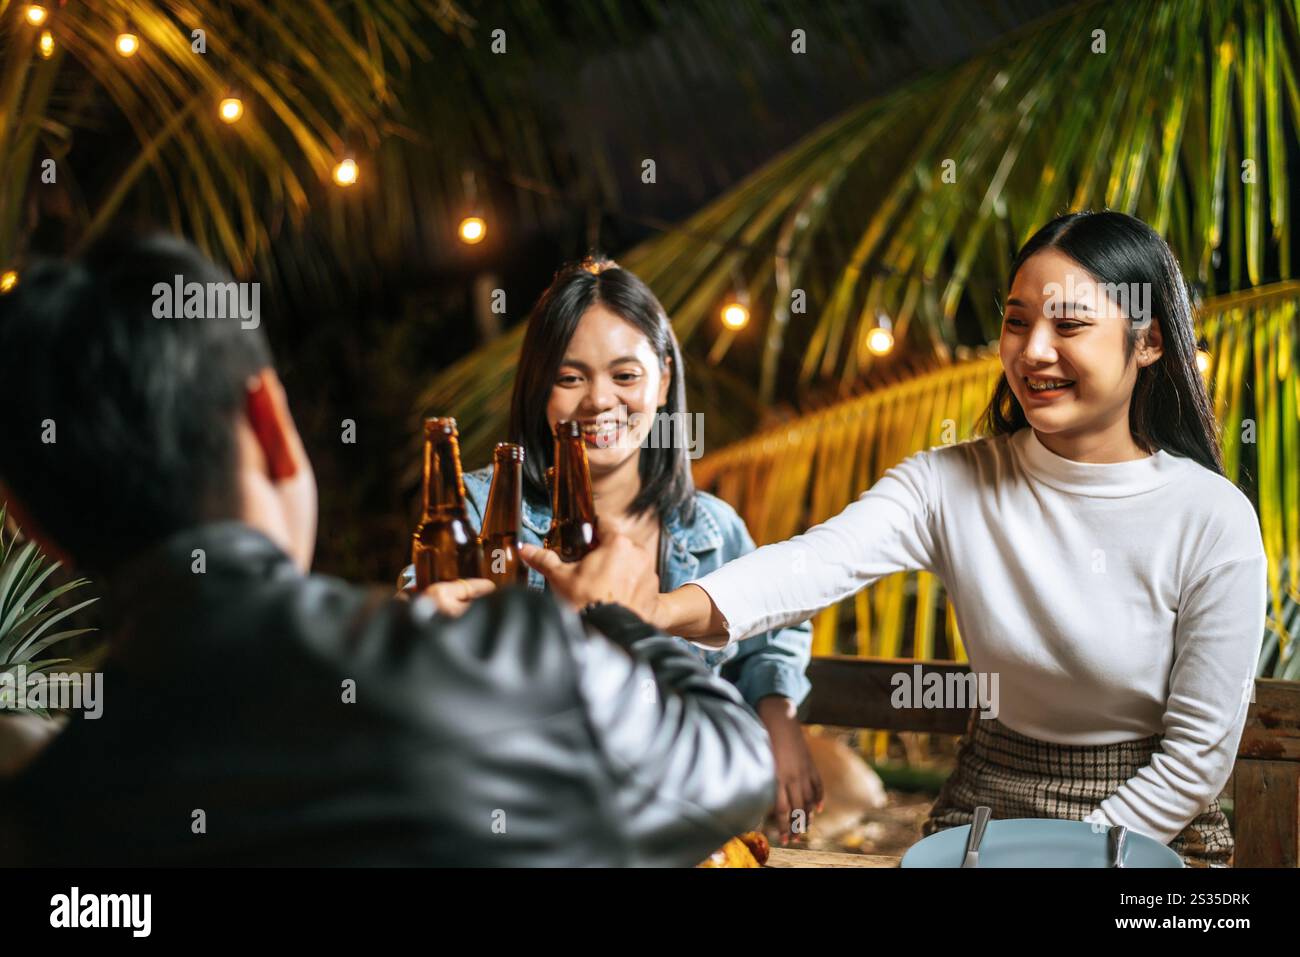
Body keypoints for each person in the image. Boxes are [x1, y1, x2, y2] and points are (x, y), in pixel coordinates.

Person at [0, 234, 774, 866]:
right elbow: (733, 765)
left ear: (31, 525)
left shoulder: (45, 813)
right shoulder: (491, 670)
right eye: (571, 375)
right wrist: (616, 616)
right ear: (269, 422)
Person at [530, 212, 1268, 867]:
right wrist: (658, 610)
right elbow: (810, 564)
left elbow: (1196, 760)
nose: (1033, 351)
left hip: (1156, 830)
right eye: (1017, 321)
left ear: (1149, 342)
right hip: (987, 809)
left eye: (1068, 325)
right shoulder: (951, 481)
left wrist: (1075, 854)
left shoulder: (1212, 517)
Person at [403, 257, 819, 839]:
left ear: (664, 379)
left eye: (625, 376)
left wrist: (780, 717)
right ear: (538, 387)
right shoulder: (480, 509)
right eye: (570, 378)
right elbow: (422, 616)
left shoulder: (712, 528)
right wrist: (430, 618)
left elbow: (772, 632)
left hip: (680, 818)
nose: (599, 401)